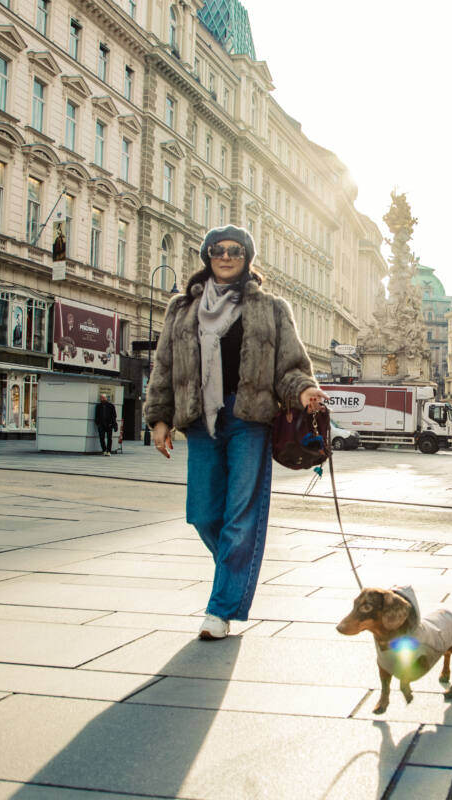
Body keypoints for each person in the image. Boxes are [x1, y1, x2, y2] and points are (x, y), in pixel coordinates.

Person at [144, 224, 325, 641]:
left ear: (247, 258)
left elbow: (290, 367)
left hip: (249, 421)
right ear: (207, 255)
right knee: (204, 514)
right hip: (201, 421)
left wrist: (305, 390)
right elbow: (165, 368)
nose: (226, 256)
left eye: (236, 251)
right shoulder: (182, 309)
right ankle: (236, 570)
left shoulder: (271, 308)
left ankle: (221, 610)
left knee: (240, 518)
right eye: (218, 250)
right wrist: (160, 419)